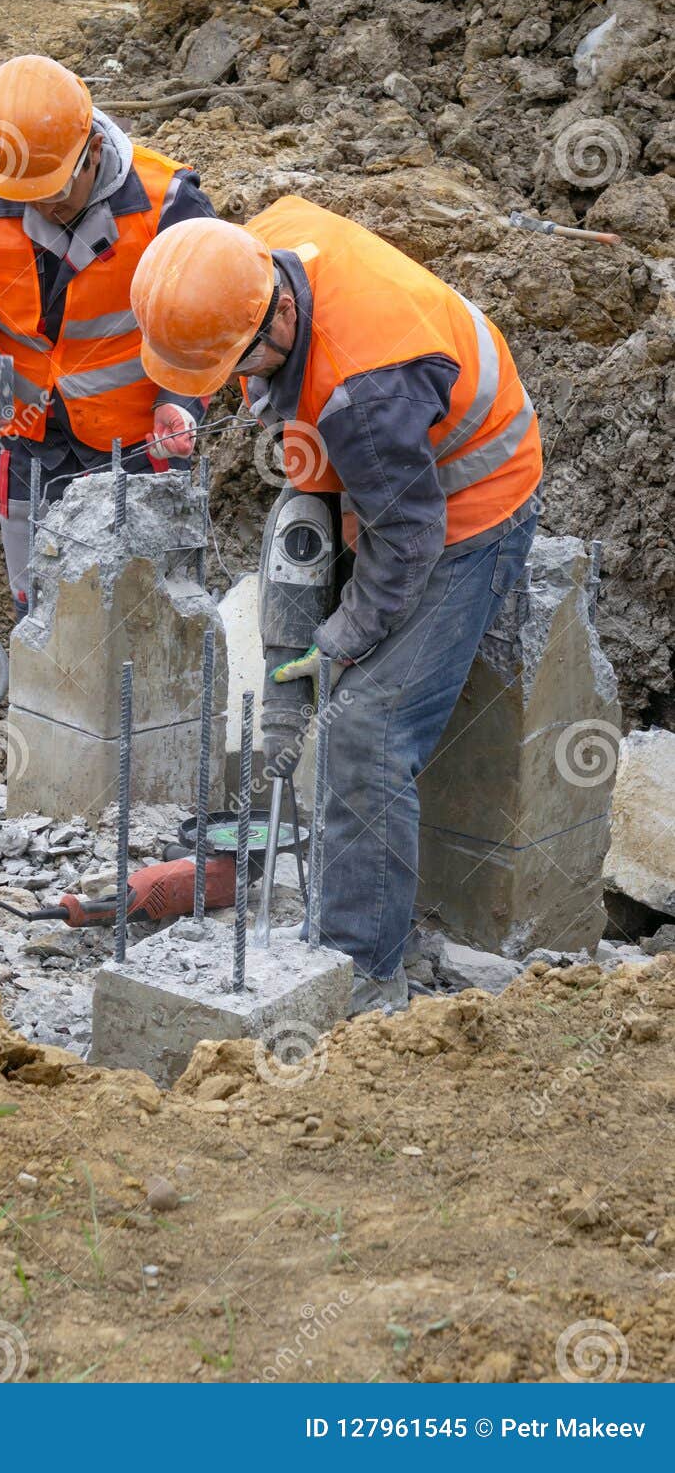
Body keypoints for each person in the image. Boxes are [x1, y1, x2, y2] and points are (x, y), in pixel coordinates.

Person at [130, 199, 543, 1015]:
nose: (241, 382)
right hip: (384, 461)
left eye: (241, 364)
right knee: (304, 559)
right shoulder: (247, 259)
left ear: (281, 313)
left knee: (366, 734)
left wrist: (344, 635)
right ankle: (366, 917)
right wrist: (297, 639)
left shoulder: (368, 392)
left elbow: (407, 541)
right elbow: (317, 456)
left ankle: (358, 972)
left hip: (465, 504)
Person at [0, 53, 215, 614]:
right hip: (30, 444)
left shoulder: (167, 203)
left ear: (93, 151)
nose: (41, 209)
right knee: (41, 614)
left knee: (150, 612)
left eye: (54, 194)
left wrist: (181, 401)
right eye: (25, 196)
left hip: (141, 446)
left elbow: (210, 318)